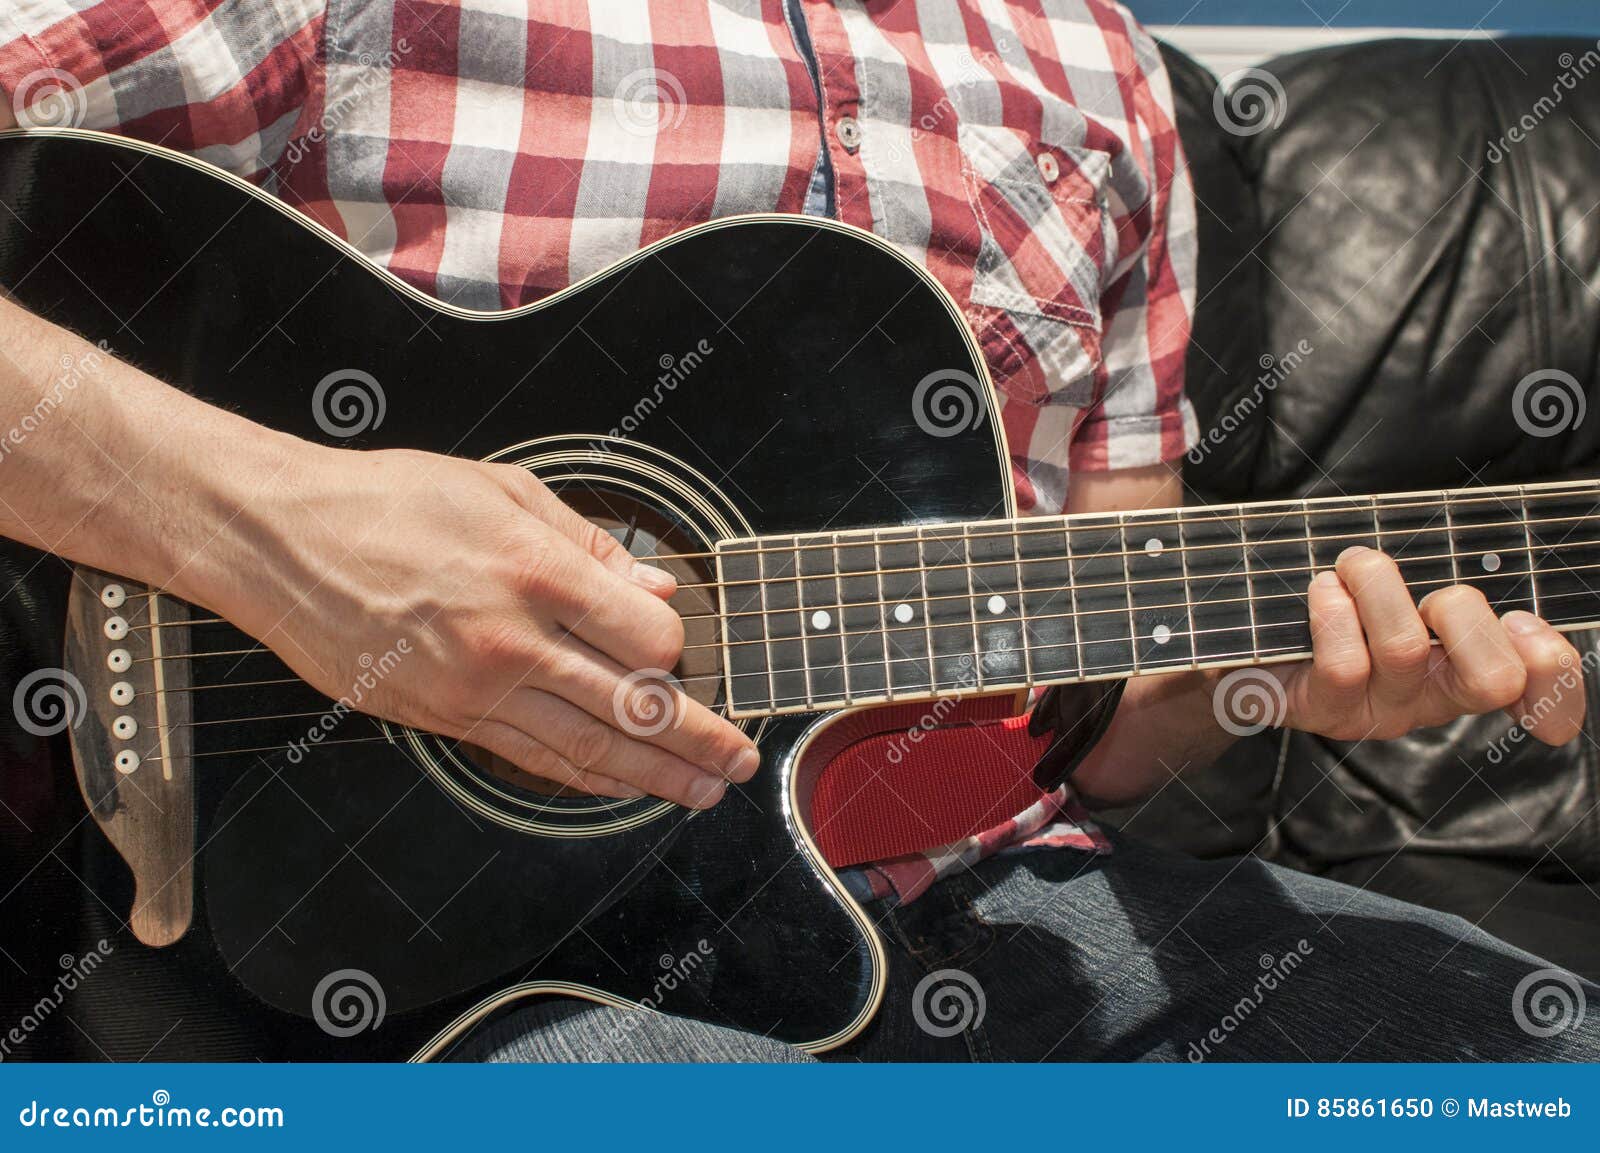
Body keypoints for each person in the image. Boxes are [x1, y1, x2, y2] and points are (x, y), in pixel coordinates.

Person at [0, 1, 1594, 1062]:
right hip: (428, 954)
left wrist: (1280, 684)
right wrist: (276, 528)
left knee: (1530, 1048)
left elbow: (1105, 731)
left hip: (990, 908)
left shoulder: (1102, 69)